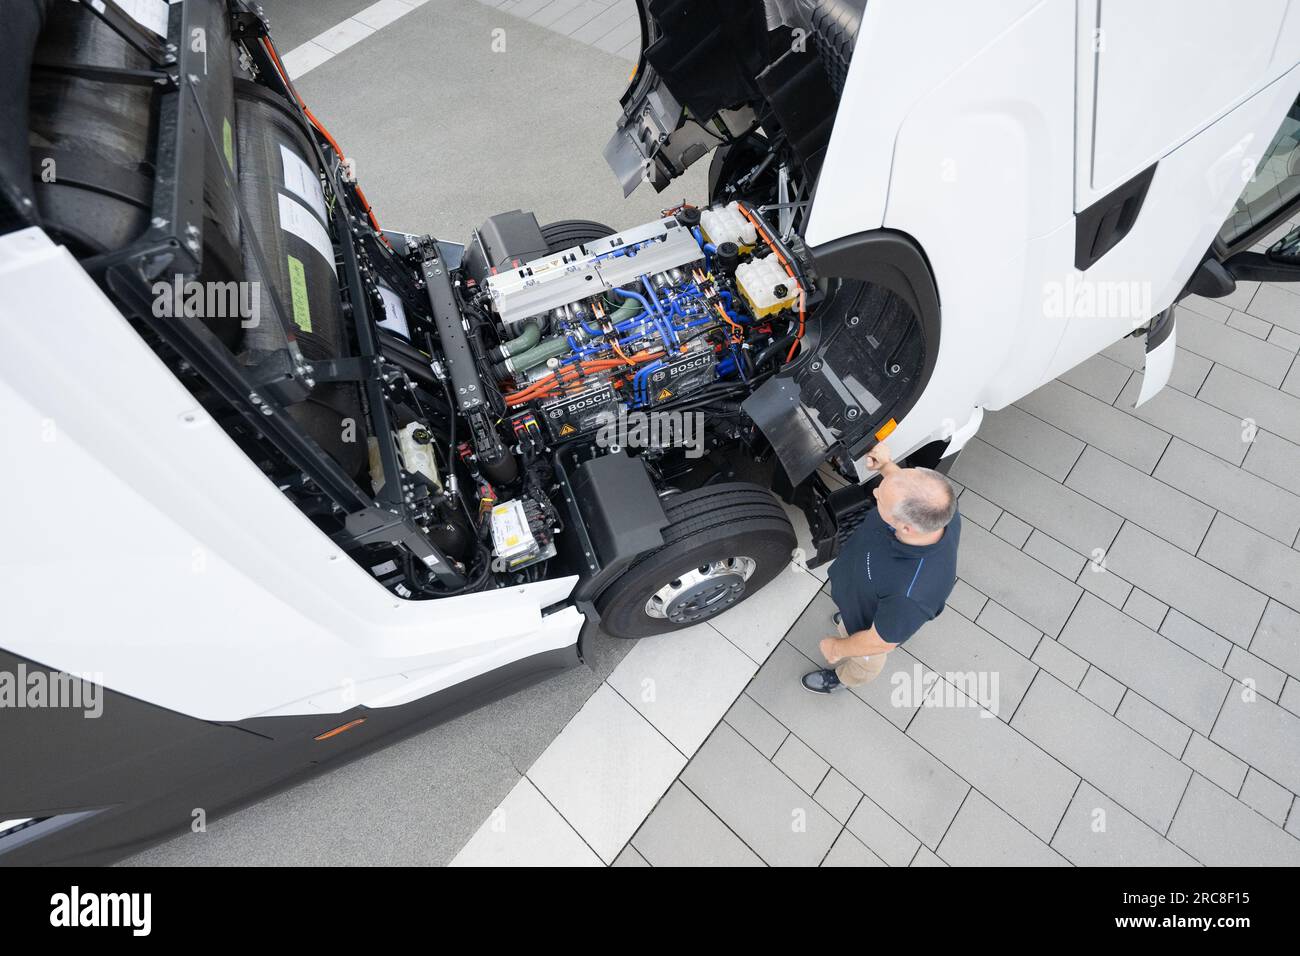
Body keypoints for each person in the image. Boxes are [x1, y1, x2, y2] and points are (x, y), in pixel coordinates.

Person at [802, 442, 961, 694]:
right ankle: (847, 618)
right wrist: (887, 467)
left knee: (865, 659)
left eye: (880, 500)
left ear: (907, 528)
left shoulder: (911, 595)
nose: (875, 494)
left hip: (870, 631)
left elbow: (880, 642)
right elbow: (909, 488)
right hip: (858, 591)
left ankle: (845, 678)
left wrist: (837, 648)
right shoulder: (938, 510)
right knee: (850, 621)